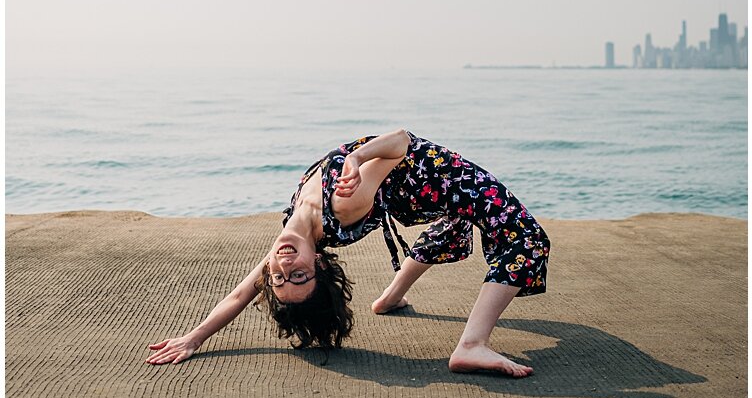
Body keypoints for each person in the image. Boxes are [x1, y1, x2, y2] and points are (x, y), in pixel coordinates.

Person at [146, 129, 550, 376]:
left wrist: (193, 338)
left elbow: (239, 295)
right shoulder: (343, 204)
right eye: (298, 275)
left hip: (411, 191)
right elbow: (401, 142)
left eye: (279, 277)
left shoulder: (288, 240)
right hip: (441, 176)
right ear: (319, 263)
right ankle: (472, 345)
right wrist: (356, 158)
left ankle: (390, 298)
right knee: (527, 241)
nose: (284, 266)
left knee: (454, 226)